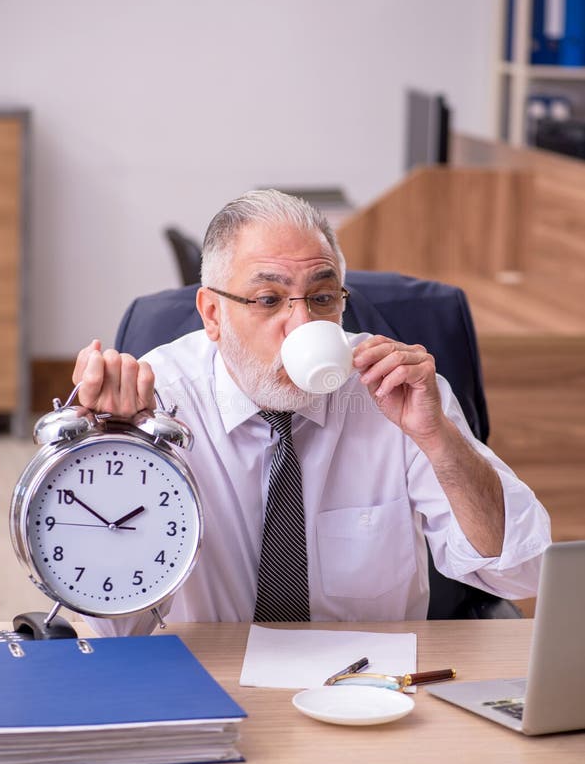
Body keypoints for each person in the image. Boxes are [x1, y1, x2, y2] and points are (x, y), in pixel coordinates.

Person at [73, 189, 551, 635]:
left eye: (322, 298)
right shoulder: (158, 400)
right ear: (213, 314)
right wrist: (116, 456)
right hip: (206, 671)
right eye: (269, 300)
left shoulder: (396, 388)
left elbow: (519, 570)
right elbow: (112, 627)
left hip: (372, 679)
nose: (302, 323)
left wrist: (437, 438)